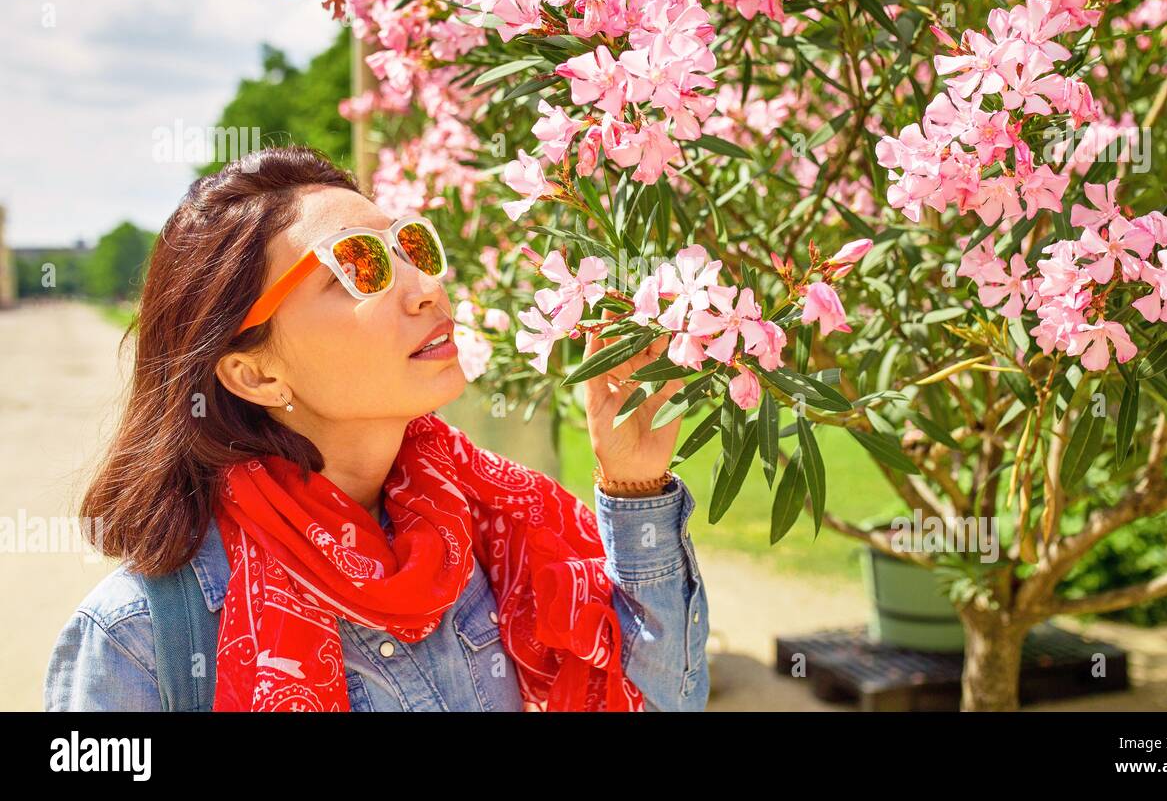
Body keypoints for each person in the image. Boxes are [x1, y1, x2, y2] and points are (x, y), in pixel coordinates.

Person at [44, 146, 709, 711]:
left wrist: (635, 487)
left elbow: (659, 699)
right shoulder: (139, 639)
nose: (426, 288)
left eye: (412, 246)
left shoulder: (482, 533)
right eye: (359, 267)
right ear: (256, 374)